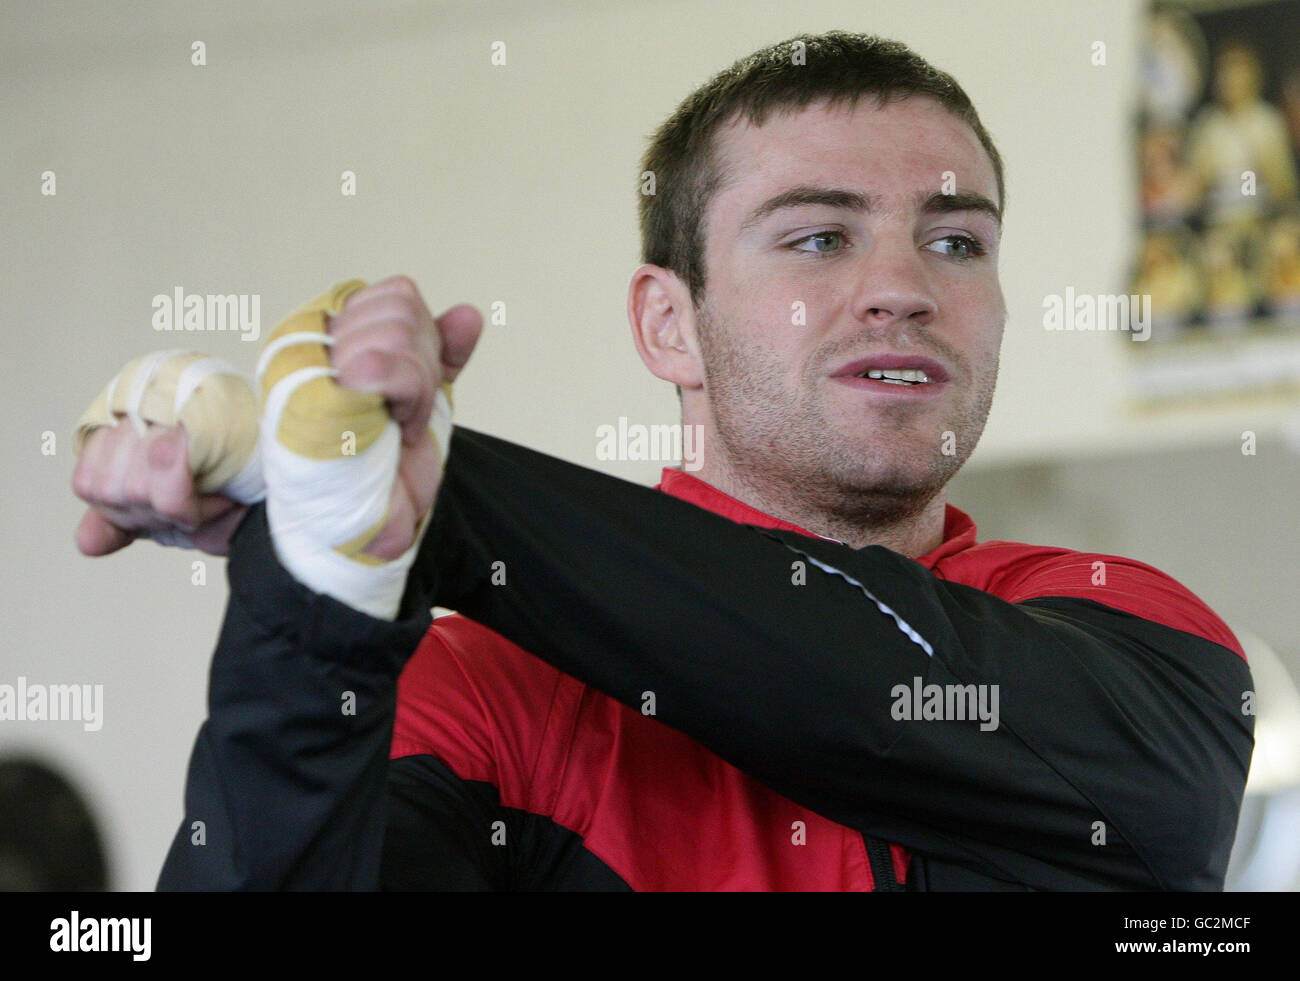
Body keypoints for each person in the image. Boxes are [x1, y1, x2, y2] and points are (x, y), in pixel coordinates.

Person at [71, 31, 1253, 891]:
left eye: (955, 240)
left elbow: (862, 682)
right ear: (666, 324)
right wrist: (317, 585)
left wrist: (395, 484)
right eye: (818, 236)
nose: (903, 287)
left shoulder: (1135, 633)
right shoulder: (483, 696)